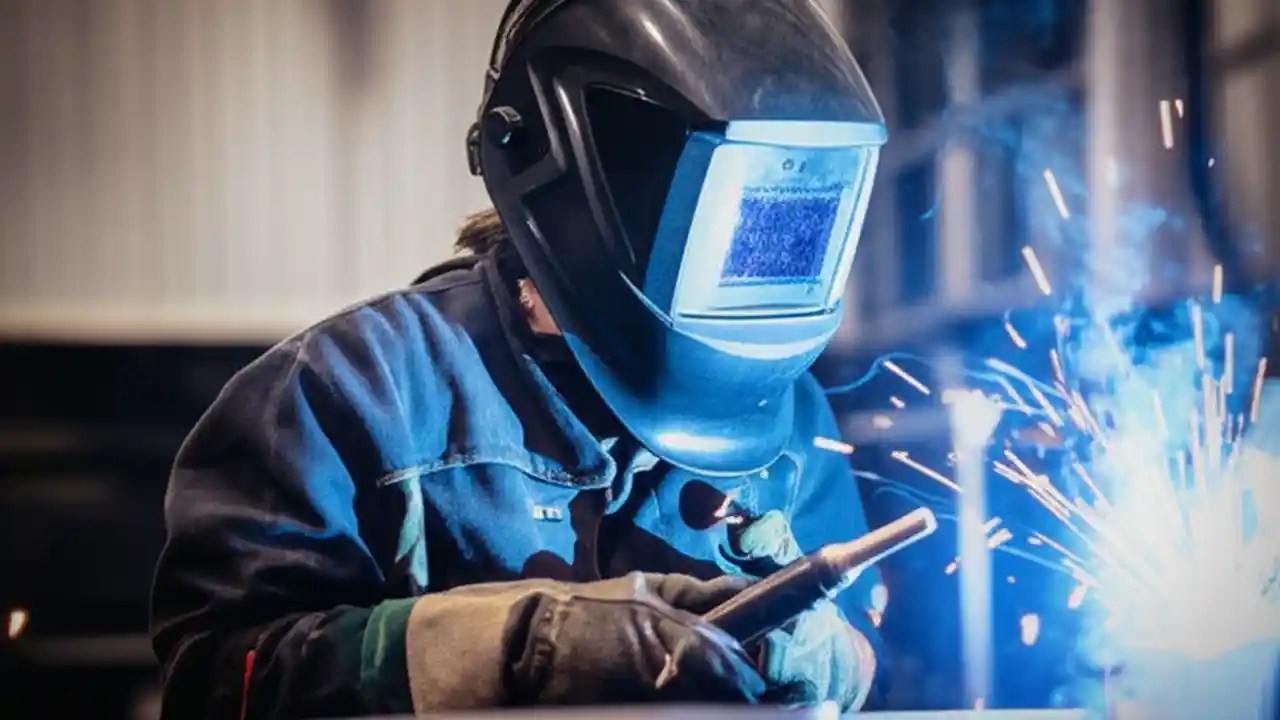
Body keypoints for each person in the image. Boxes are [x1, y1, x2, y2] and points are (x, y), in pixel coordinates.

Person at [151, 0, 890, 717]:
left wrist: (832, 659)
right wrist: (506, 649)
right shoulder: (351, 391)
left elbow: (867, 649)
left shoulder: (786, 413)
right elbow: (215, 681)